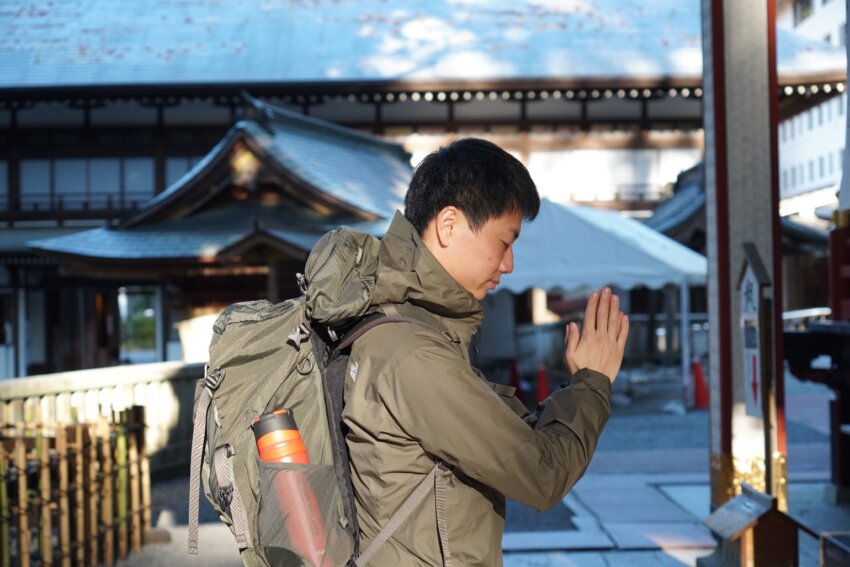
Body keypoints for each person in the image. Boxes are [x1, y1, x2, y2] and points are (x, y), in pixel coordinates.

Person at [339, 138, 628, 565]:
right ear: (449, 225)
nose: (509, 264)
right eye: (504, 242)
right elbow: (541, 473)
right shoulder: (413, 353)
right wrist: (592, 384)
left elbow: (508, 437)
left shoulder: (403, 327)